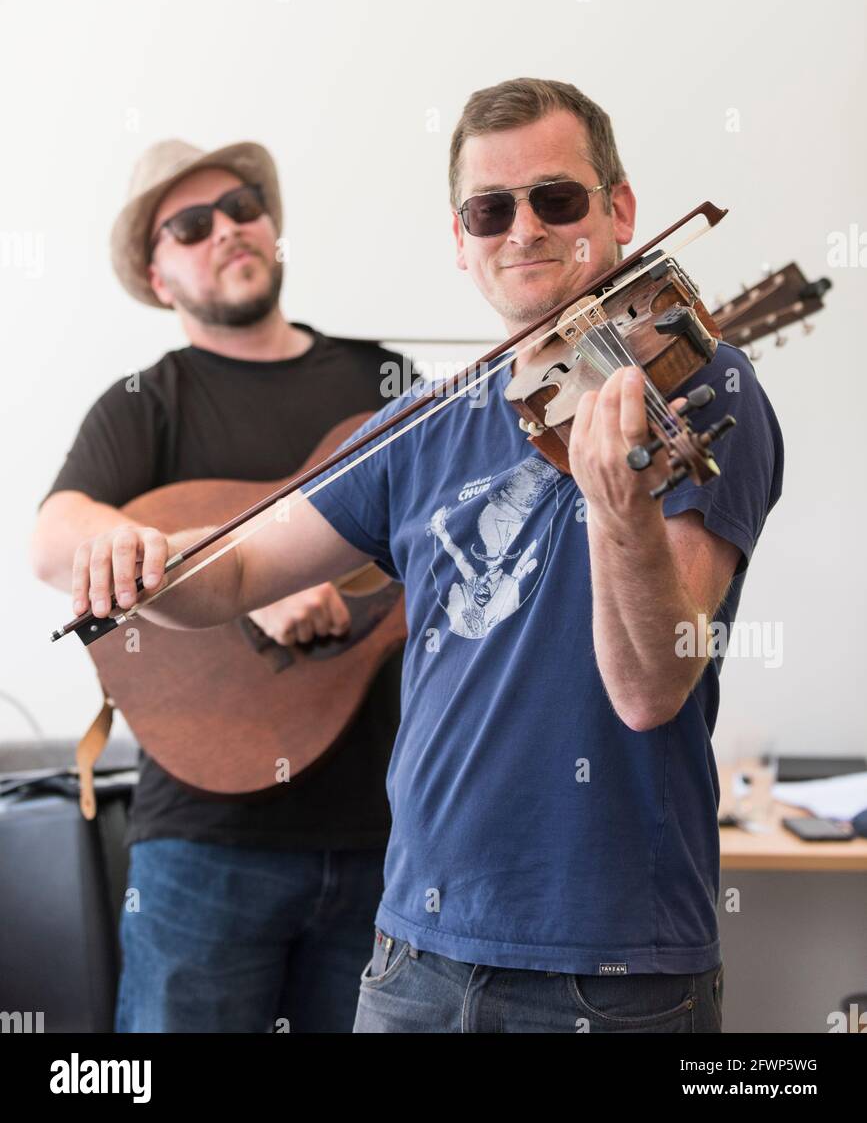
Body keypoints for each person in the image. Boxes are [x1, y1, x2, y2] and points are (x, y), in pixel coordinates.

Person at [66, 81, 784, 1033]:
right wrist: (145, 559)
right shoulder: (420, 422)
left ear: (619, 211)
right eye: (490, 209)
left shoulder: (699, 385)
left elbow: (652, 689)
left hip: (606, 970)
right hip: (411, 956)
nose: (522, 228)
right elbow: (235, 571)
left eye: (556, 200)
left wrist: (619, 513)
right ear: (460, 240)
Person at [32, 138, 411, 1033]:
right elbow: (54, 538)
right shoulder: (147, 400)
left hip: (389, 839)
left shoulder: (385, 381)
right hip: (203, 842)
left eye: (243, 207)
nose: (227, 231)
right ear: (158, 275)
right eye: (191, 225)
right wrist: (238, 580)